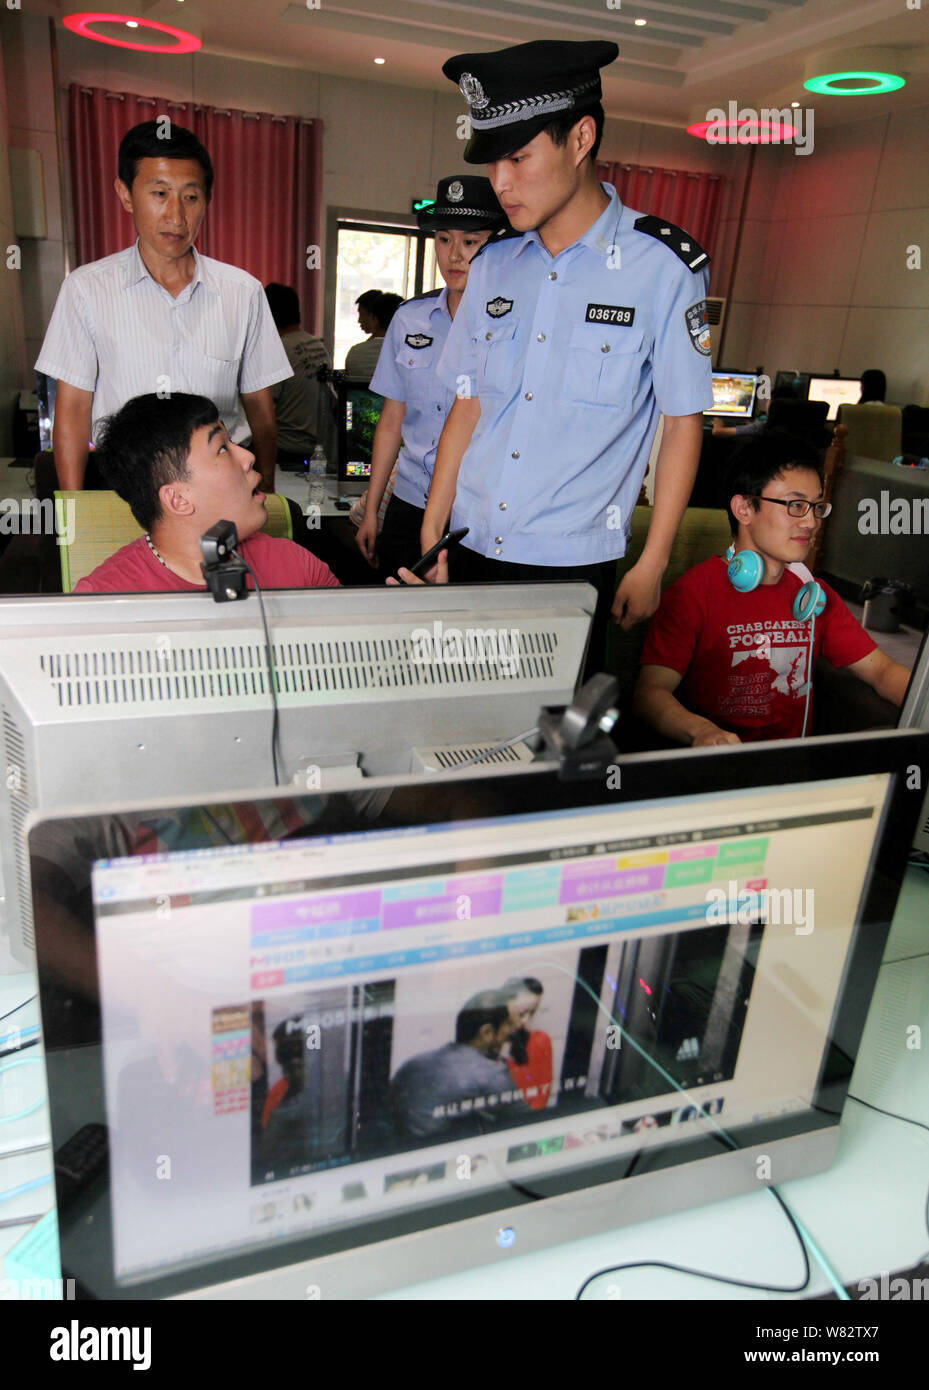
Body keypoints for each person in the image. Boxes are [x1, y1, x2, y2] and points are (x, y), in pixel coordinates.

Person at [420, 39, 713, 668]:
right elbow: (466, 408)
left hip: (567, 563)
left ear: (581, 139)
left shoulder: (661, 268)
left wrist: (654, 560)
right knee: (454, 738)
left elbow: (683, 420)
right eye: (493, 162)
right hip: (467, 544)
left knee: (549, 753)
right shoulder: (493, 265)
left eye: (519, 158)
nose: (500, 183)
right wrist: (432, 535)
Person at [36, 121, 291, 493]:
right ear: (125, 195)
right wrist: (74, 514)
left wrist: (265, 491)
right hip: (123, 485)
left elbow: (259, 407)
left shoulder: (244, 293)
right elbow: (73, 409)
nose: (176, 216)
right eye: (159, 193)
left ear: (207, 200)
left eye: (191, 197)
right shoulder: (85, 289)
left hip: (219, 490)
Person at [633, 431, 911, 745]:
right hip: (718, 770)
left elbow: (883, 672)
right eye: (795, 505)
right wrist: (702, 731)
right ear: (744, 509)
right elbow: (649, 694)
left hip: (793, 771)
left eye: (816, 507)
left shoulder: (813, 595)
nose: (811, 522)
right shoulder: (693, 593)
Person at [72, 393, 447, 593]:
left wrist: (420, 622)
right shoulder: (103, 602)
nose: (248, 457)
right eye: (221, 448)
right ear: (178, 499)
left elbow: (359, 678)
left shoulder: (295, 567)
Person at [355, 175, 508, 578]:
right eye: (443, 239)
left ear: (498, 243)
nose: (454, 255)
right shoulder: (410, 319)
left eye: (471, 242)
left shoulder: (513, 329)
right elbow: (391, 422)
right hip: (408, 505)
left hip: (475, 517)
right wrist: (373, 509)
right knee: (401, 631)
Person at [389, 990, 530, 1144]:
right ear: (487, 1033)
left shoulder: (413, 1064)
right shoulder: (491, 1075)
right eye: (508, 1025)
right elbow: (529, 1125)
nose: (513, 1030)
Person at [263, 282, 335, 464]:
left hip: (286, 450)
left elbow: (263, 410)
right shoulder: (317, 344)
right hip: (318, 448)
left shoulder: (278, 350)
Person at [503, 976, 553, 1111]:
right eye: (521, 1013)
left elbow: (543, 1089)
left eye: (532, 1013)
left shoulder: (540, 1041)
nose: (525, 1021)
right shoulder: (486, 1047)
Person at [344, 291, 403, 383]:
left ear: (374, 318)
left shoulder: (355, 353)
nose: (359, 320)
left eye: (361, 314)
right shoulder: (407, 355)